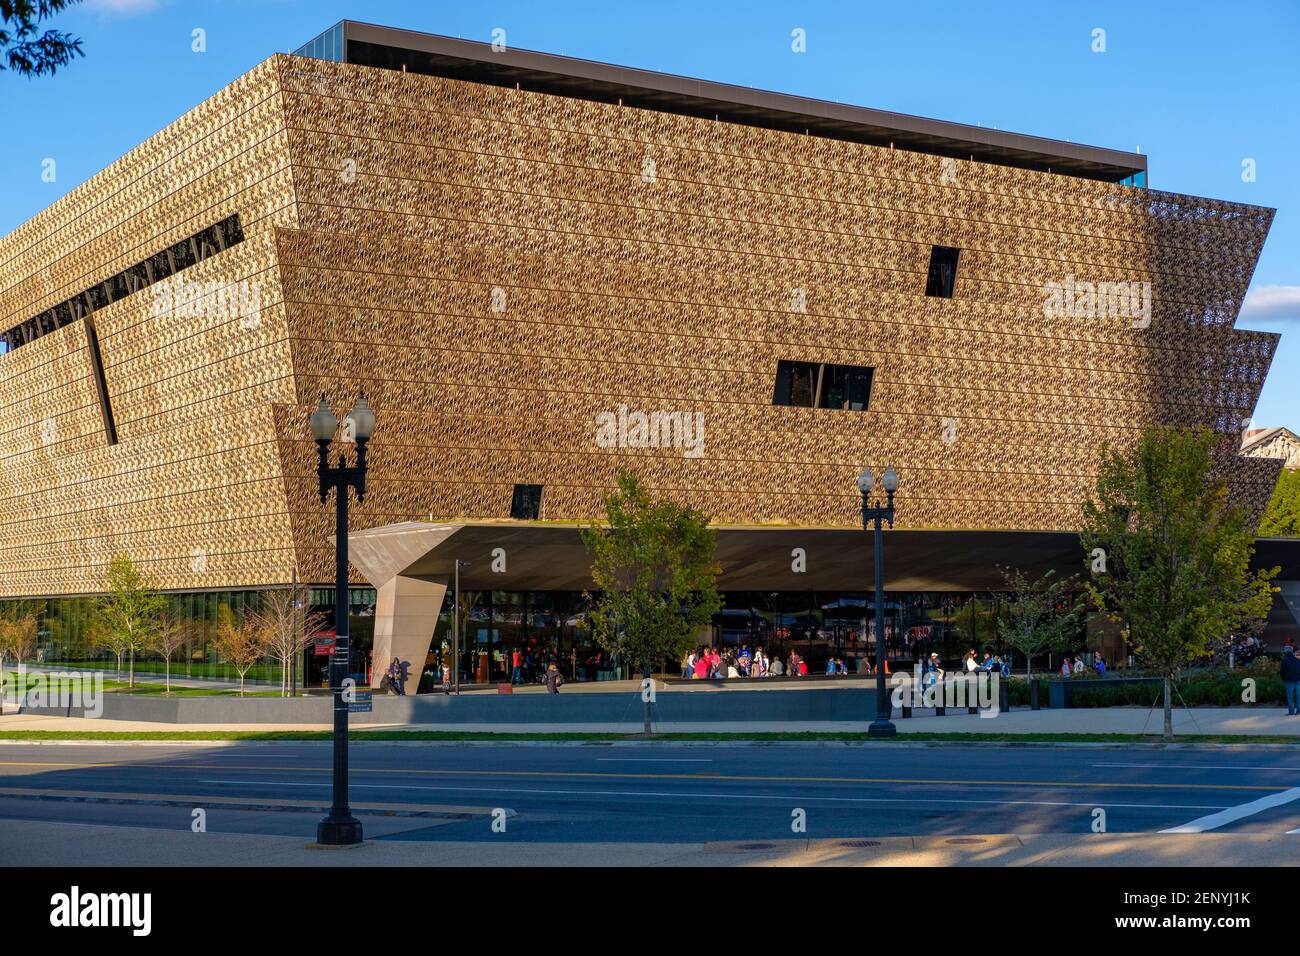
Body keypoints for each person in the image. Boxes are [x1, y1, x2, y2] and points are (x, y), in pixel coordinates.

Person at [1282, 646, 1300, 716]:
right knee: (1299, 696)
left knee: (1290, 697)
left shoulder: (1285, 660)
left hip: (1289, 680)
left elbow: (1282, 671)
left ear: (1285, 652)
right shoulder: (1297, 659)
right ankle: (1299, 711)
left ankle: (1291, 712)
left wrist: (1284, 679)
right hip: (1299, 679)